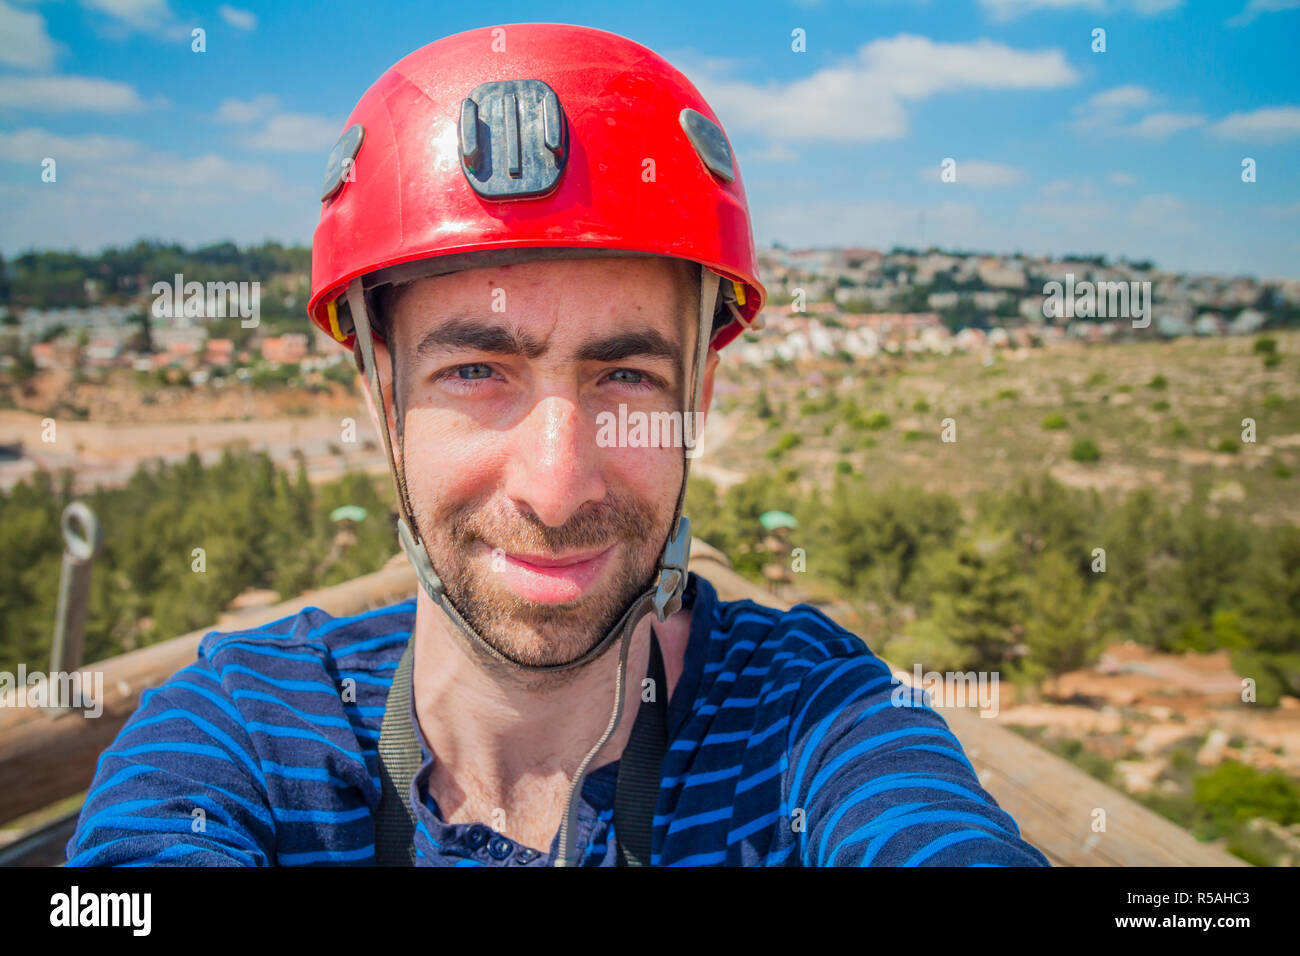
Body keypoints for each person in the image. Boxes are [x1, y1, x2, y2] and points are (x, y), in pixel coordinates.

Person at [67, 23, 1050, 867]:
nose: (555, 485)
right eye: (476, 372)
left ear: (697, 394)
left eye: (625, 376)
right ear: (379, 390)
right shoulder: (233, 733)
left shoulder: (814, 721)